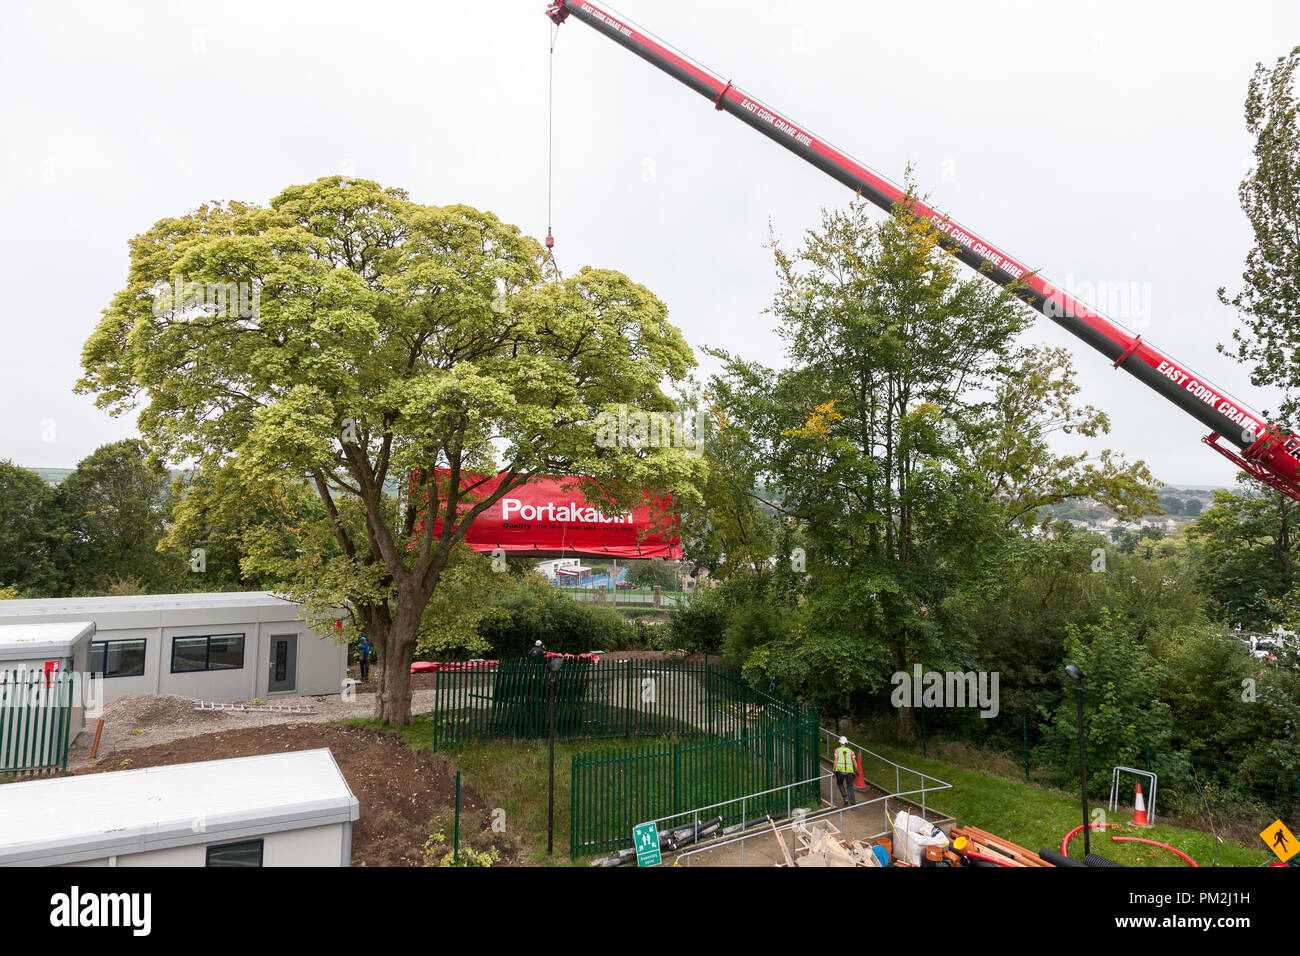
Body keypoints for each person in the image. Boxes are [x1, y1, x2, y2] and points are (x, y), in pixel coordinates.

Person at [833, 736, 857, 806]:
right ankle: (853, 803)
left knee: (839, 783)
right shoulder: (851, 751)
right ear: (846, 743)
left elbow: (835, 761)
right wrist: (857, 771)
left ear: (840, 743)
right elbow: (855, 762)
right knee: (850, 787)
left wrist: (834, 769)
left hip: (840, 771)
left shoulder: (837, 750)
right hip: (849, 772)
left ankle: (845, 797)